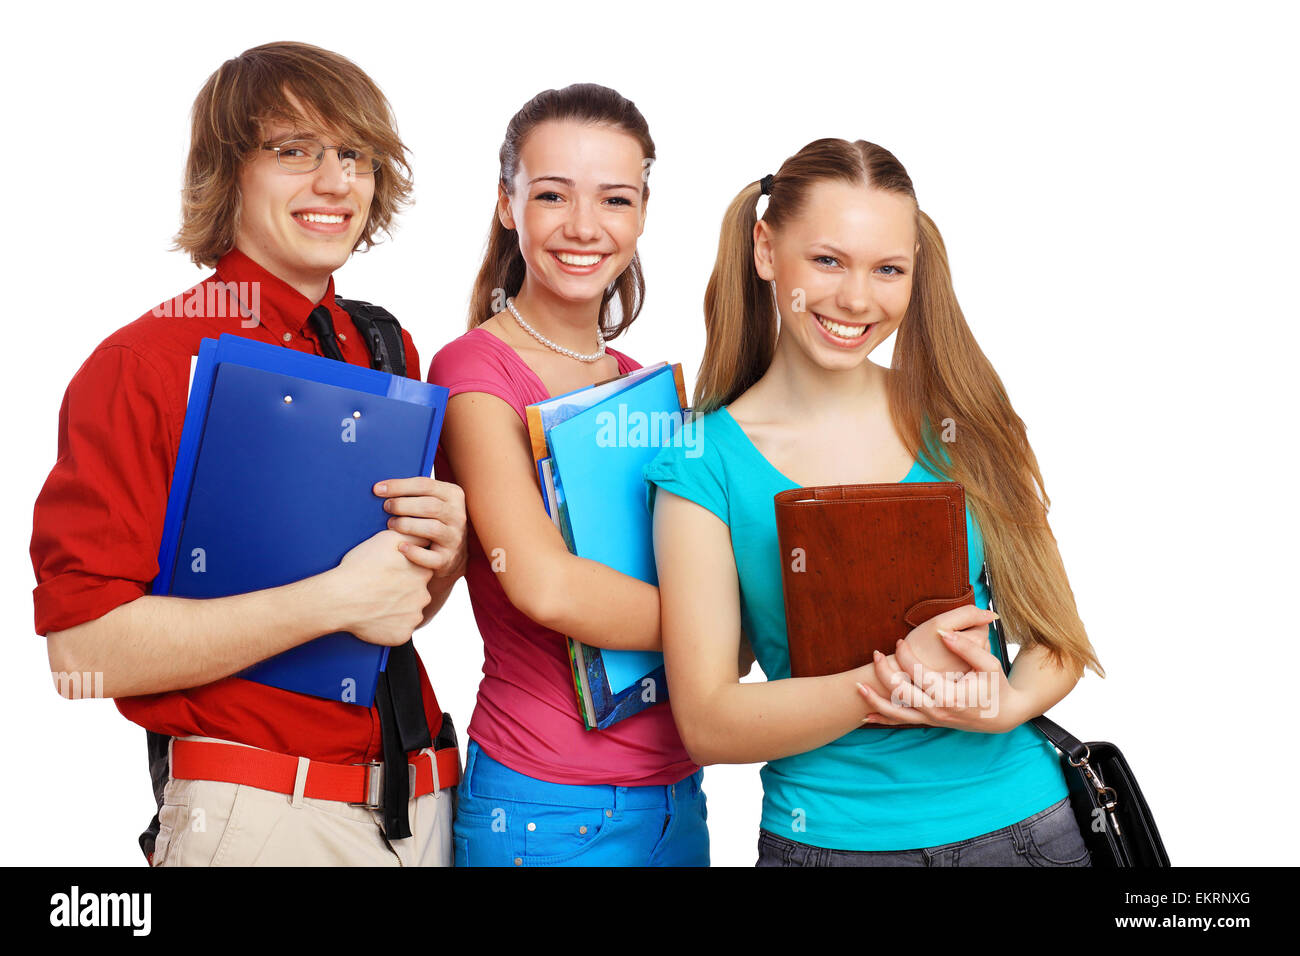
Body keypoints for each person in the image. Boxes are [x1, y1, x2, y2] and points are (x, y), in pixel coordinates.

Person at [30, 41, 467, 866]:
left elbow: (389, 614)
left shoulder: (384, 346)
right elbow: (81, 651)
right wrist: (329, 599)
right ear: (228, 171)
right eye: (293, 151)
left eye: (354, 155)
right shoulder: (146, 363)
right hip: (264, 818)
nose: (335, 182)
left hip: (425, 803)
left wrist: (441, 553)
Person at [645, 138, 1105, 866]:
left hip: (1029, 828)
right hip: (832, 841)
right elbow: (708, 721)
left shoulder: (967, 422)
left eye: (888, 269)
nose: (857, 300)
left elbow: (1055, 638)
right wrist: (892, 677)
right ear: (766, 250)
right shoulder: (703, 463)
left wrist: (1004, 706)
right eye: (827, 260)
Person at [427, 84, 709, 867]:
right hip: (545, 802)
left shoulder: (641, 383)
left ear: (643, 213)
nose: (584, 227)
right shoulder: (473, 372)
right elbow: (544, 586)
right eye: (552, 195)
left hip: (676, 791)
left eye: (614, 199)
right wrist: (725, 622)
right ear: (508, 206)